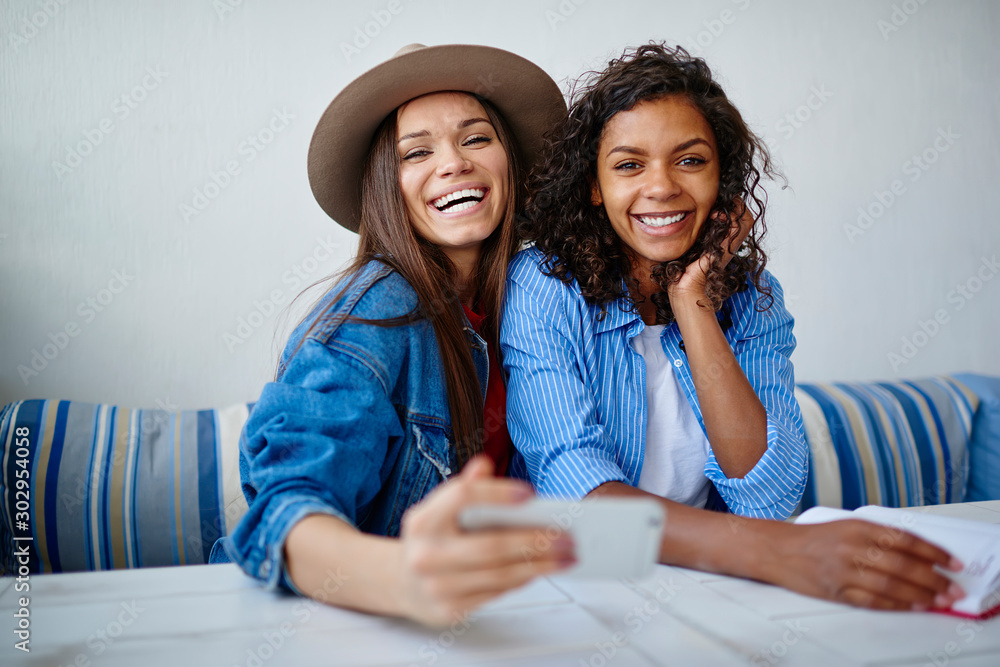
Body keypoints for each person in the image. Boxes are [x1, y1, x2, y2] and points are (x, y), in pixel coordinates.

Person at [501, 43, 965, 611]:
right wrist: (772, 552)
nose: (663, 186)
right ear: (594, 188)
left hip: (712, 585)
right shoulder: (546, 286)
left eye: (690, 160)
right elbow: (573, 496)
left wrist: (692, 300)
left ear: (721, 175)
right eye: (628, 165)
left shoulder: (753, 298)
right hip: (578, 587)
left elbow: (767, 499)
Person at [210, 44, 570, 626]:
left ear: (510, 162)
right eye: (417, 152)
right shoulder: (378, 308)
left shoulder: (534, 306)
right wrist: (405, 578)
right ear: (386, 186)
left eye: (476, 138)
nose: (453, 163)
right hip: (335, 625)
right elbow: (287, 509)